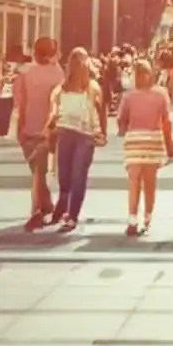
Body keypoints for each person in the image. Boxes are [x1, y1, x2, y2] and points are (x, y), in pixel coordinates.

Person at [48, 48, 108, 233]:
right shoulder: (62, 88)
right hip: (71, 133)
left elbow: (101, 111)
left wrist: (101, 133)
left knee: (74, 175)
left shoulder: (91, 87)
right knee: (69, 175)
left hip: (82, 135)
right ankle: (65, 209)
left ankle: (71, 214)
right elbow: (55, 112)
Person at [117, 60, 173, 236]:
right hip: (153, 141)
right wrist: (170, 147)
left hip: (134, 140)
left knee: (134, 181)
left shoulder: (128, 96)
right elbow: (166, 122)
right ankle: (147, 218)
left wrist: (124, 128)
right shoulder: (161, 94)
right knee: (150, 183)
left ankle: (132, 218)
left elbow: (121, 120)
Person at [12, 38, 63, 231]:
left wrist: (19, 128)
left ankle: (36, 211)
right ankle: (46, 204)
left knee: (37, 171)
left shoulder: (25, 73)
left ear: (34, 52)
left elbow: (20, 103)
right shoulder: (58, 73)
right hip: (49, 129)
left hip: (29, 128)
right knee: (38, 172)